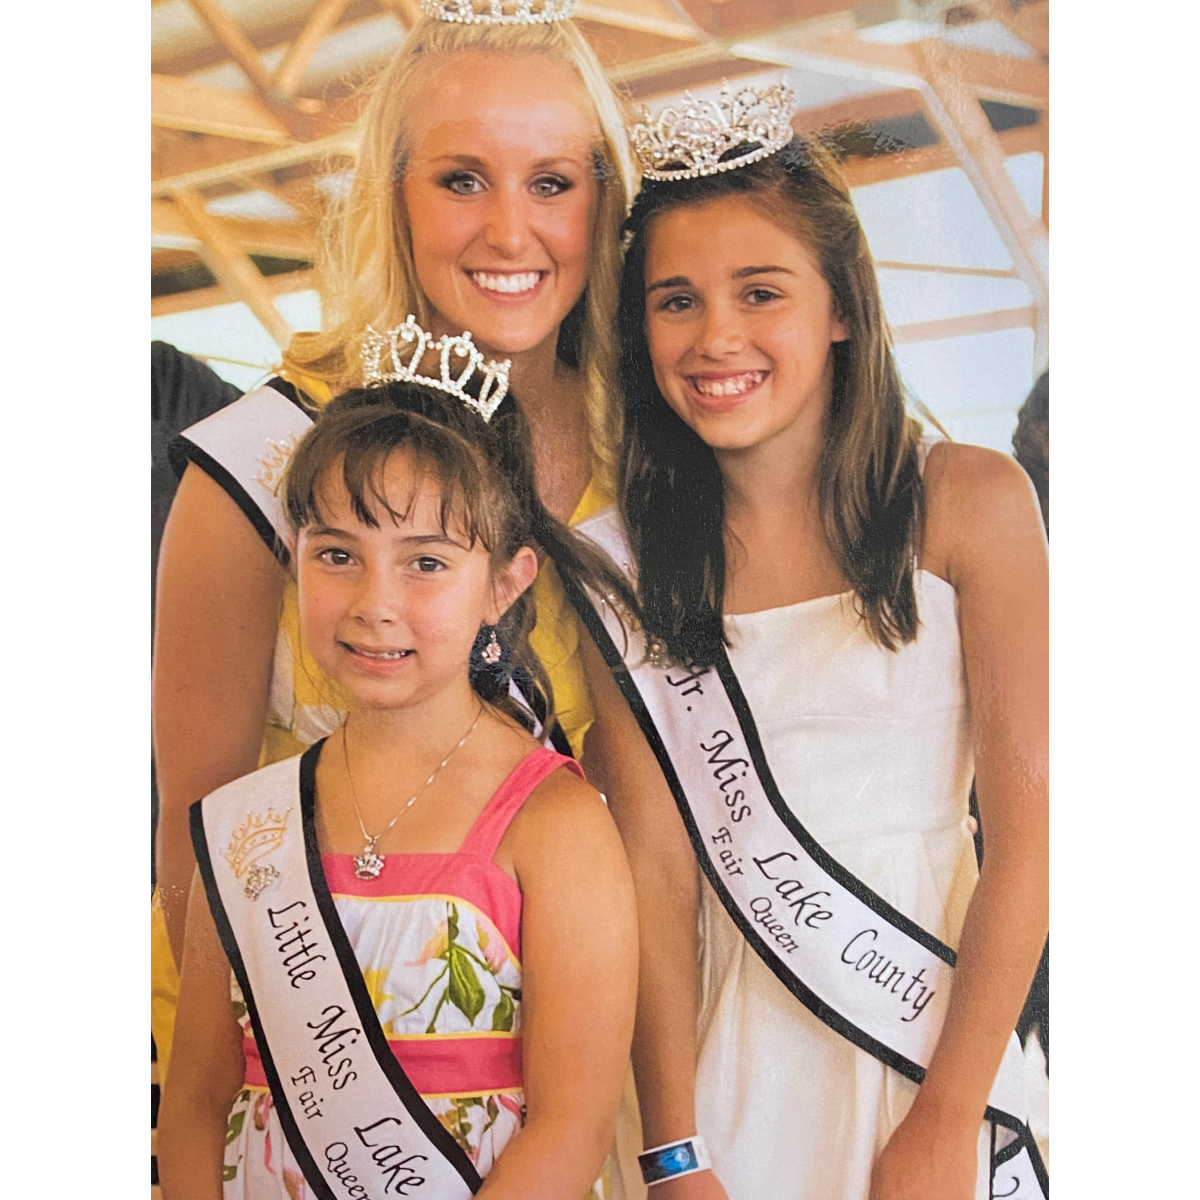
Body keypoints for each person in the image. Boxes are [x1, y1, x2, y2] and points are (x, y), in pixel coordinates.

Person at [572, 85, 1049, 1200]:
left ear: (841, 306)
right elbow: (656, 873)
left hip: (935, 1052)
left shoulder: (972, 501)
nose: (716, 336)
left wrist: (945, 1124)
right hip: (723, 1081)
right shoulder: (619, 565)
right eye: (675, 301)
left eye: (761, 292)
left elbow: (1032, 844)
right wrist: (673, 1152)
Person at [152, 0, 635, 1084]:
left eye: (552, 183)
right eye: (461, 179)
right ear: (393, 197)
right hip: (284, 1069)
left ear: (605, 205)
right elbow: (193, 837)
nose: (512, 232)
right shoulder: (266, 459)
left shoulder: (640, 463)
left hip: (529, 1082)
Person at [157, 369, 639, 1199]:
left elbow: (575, 1123)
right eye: (338, 554)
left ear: (506, 584)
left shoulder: (555, 825)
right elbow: (198, 1100)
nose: (376, 603)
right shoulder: (247, 828)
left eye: (425, 562)